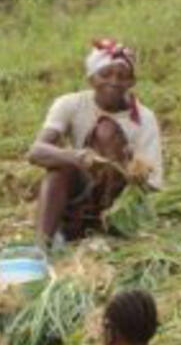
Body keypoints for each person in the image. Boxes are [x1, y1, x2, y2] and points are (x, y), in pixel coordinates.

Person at [27, 39, 163, 249]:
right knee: (58, 172)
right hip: (83, 190)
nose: (114, 82)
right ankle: (41, 248)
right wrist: (78, 157)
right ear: (91, 79)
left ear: (132, 82)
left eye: (122, 76)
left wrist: (133, 172)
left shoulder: (144, 118)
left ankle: (109, 230)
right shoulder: (70, 104)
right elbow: (36, 151)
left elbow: (153, 185)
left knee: (106, 130)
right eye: (105, 75)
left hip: (119, 198)